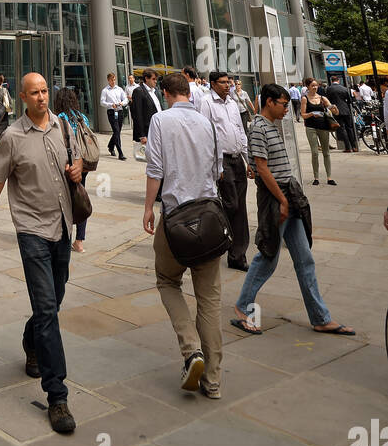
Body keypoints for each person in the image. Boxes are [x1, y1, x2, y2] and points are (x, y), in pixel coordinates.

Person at [0, 72, 83, 435]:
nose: (42, 97)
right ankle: (57, 395)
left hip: (63, 227)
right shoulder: (13, 137)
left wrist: (80, 170)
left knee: (54, 301)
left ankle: (31, 340)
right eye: (34, 93)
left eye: (45, 91)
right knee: (48, 309)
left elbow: (77, 165)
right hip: (32, 231)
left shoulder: (62, 128)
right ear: (22, 97)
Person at [232, 84, 354, 338]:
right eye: (283, 104)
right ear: (268, 102)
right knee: (267, 257)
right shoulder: (258, 127)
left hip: (289, 195)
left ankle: (320, 318)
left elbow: (260, 165)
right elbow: (263, 169)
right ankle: (243, 308)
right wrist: (282, 201)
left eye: (288, 104)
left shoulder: (273, 126)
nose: (287, 108)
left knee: (304, 259)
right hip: (276, 199)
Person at [143, 70, 224, 398]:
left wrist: (148, 208)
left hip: (176, 219)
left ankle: (192, 351)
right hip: (207, 216)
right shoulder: (207, 123)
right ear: (189, 92)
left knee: (167, 281)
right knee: (210, 299)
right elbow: (218, 169)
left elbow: (155, 170)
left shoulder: (160, 121)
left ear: (165, 92)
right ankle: (214, 382)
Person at [200, 70, 253, 270]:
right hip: (222, 162)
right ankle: (224, 245)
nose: (227, 85)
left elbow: (240, 131)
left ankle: (238, 254)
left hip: (237, 159)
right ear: (213, 84)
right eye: (222, 82)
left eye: (228, 82)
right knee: (231, 206)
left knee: (240, 207)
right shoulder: (206, 103)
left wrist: (249, 161)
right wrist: (216, 165)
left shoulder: (232, 103)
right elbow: (205, 133)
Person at [54, 87, 92, 252]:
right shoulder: (81, 116)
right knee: (80, 196)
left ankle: (65, 236)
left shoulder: (60, 118)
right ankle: (80, 241)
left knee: (67, 200)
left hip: (68, 165)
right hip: (83, 163)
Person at [301, 75, 337, 185]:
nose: (315, 87)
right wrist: (311, 114)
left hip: (323, 126)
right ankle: (316, 177)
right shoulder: (304, 99)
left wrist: (334, 108)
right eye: (312, 86)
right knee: (315, 152)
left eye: (316, 85)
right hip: (311, 127)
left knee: (326, 152)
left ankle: (329, 177)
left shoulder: (322, 98)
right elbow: (303, 115)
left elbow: (333, 111)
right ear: (307, 86)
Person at [131, 69, 162, 161]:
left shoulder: (155, 91)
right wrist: (142, 135)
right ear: (146, 79)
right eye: (153, 79)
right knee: (150, 160)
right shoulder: (138, 91)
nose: (155, 81)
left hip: (158, 129)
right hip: (148, 131)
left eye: (156, 79)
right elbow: (137, 114)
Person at [100, 70, 128, 160]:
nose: (113, 81)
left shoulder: (119, 89)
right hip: (112, 112)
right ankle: (120, 153)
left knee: (117, 131)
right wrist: (110, 105)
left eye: (114, 79)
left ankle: (111, 146)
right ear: (108, 80)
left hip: (119, 111)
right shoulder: (105, 90)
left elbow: (126, 99)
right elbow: (102, 102)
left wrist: (122, 103)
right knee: (116, 131)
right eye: (112, 80)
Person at [326, 77, 357, 152]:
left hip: (336, 110)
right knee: (349, 128)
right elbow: (349, 100)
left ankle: (347, 147)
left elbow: (328, 100)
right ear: (338, 80)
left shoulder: (329, 89)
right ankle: (354, 146)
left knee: (342, 128)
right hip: (346, 110)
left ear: (331, 81)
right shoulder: (344, 88)